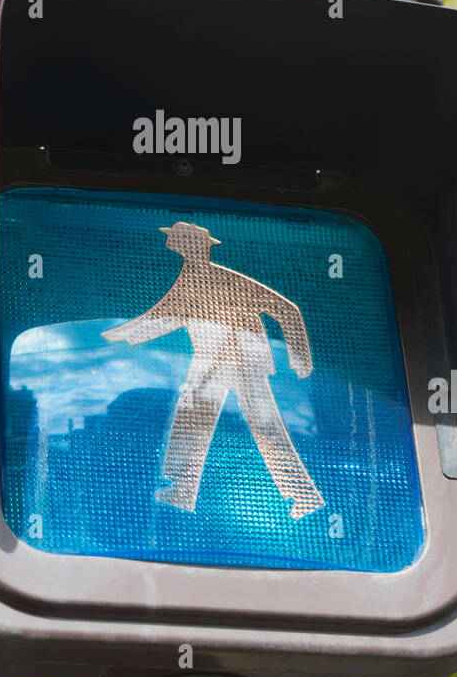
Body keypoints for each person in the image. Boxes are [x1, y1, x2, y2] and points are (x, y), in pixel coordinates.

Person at [103, 221, 325, 519]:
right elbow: (161, 318)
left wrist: (300, 359)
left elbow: (287, 310)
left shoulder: (223, 279)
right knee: (190, 422)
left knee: (266, 429)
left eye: (177, 238)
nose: (172, 242)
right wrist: (112, 335)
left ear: (190, 244)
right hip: (209, 362)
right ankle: (180, 490)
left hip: (244, 363)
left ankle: (303, 496)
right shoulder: (188, 280)